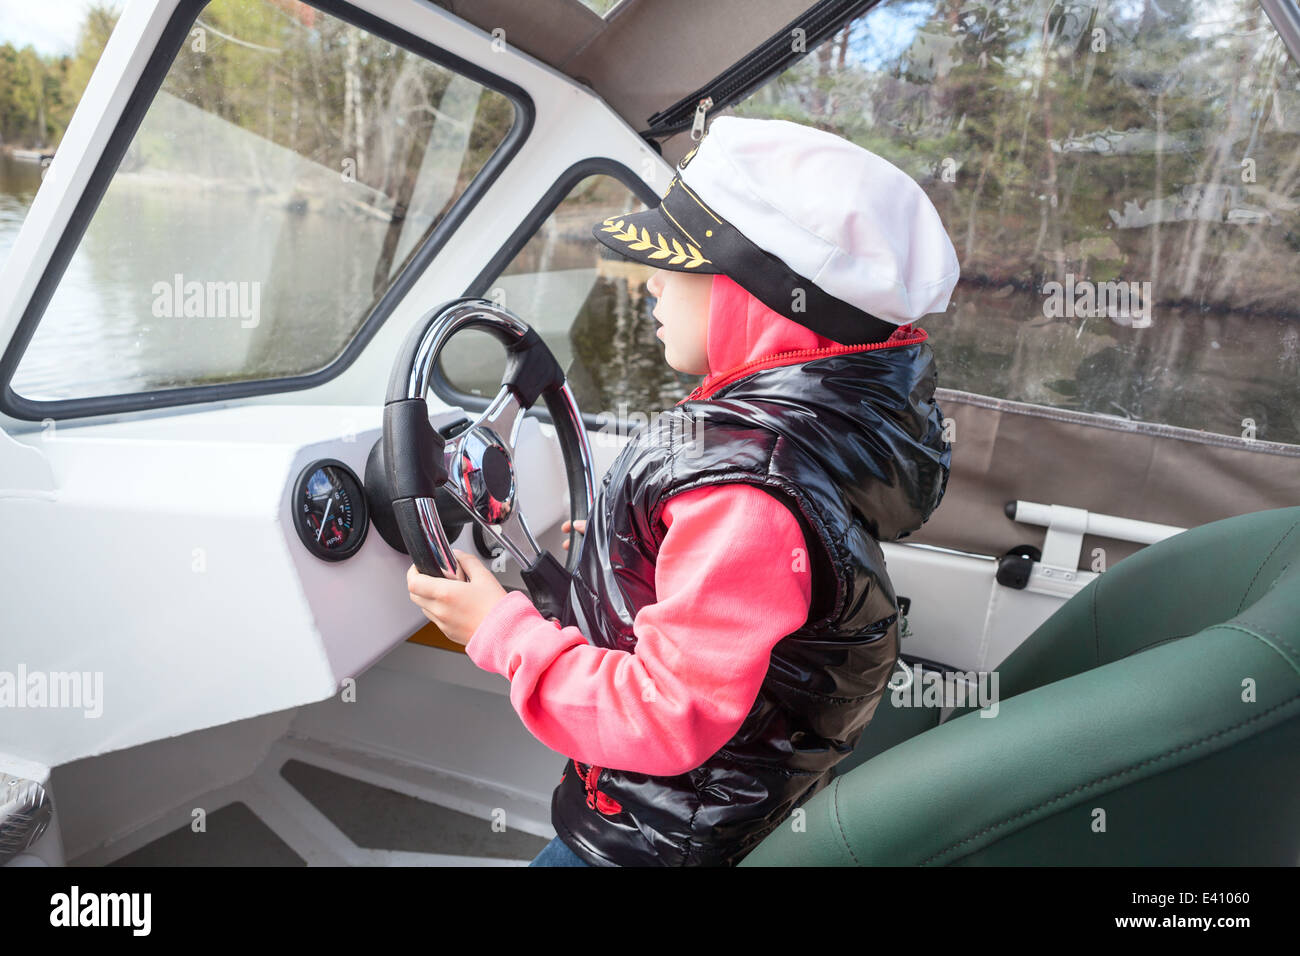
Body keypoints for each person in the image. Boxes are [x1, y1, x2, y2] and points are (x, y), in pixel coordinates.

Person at [406, 115, 959, 867]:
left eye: (678, 264)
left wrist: (498, 631)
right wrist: (630, 568)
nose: (651, 282)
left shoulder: (745, 491)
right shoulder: (808, 436)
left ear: (758, 298)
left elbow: (666, 717)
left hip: (658, 839)